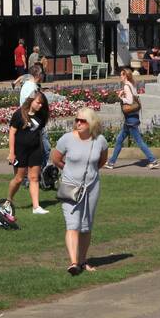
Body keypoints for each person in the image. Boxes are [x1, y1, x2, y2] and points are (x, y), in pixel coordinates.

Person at [52, 107, 108, 275]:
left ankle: (83, 261)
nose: (78, 123)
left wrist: (87, 175)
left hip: (91, 187)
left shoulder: (100, 140)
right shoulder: (66, 139)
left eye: (82, 120)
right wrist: (68, 170)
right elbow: (56, 159)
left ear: (91, 122)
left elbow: (101, 161)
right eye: (76, 120)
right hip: (70, 188)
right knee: (72, 224)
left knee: (86, 226)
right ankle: (74, 263)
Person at [7, 91, 50, 214]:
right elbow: (12, 132)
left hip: (35, 150)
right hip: (20, 151)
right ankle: (8, 200)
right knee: (19, 179)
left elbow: (39, 132)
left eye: (42, 104)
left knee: (34, 177)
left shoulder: (41, 115)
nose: (40, 106)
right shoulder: (19, 114)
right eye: (38, 103)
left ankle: (36, 207)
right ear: (31, 101)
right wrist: (11, 152)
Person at [106, 67, 158, 170]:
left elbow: (129, 101)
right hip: (132, 117)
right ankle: (111, 162)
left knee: (139, 141)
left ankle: (153, 160)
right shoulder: (132, 84)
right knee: (119, 140)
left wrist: (120, 97)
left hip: (130, 119)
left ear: (125, 75)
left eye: (121, 75)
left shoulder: (126, 86)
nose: (120, 76)